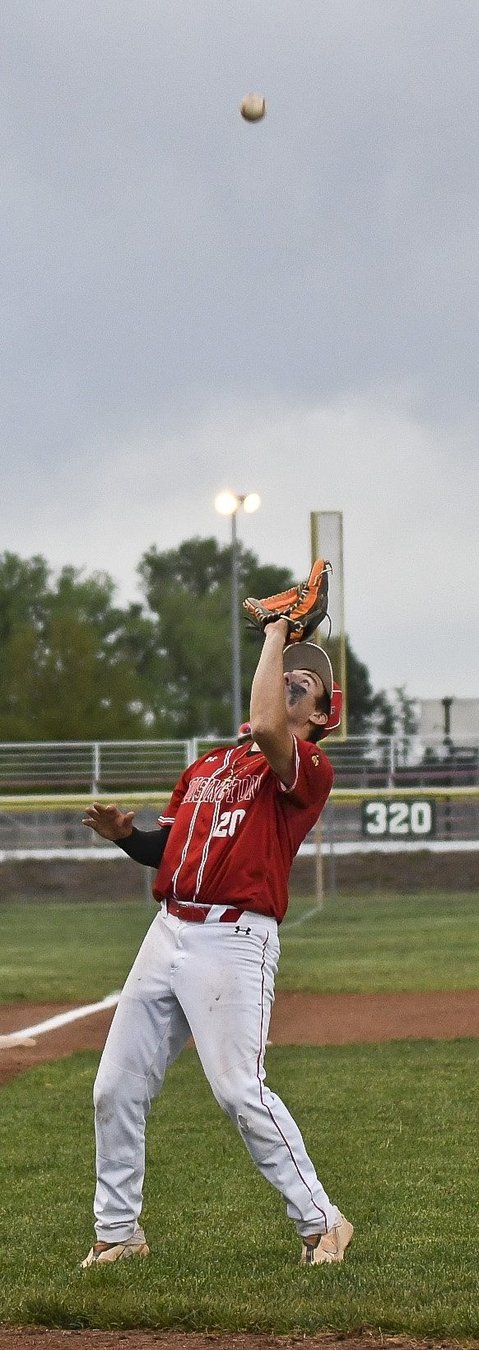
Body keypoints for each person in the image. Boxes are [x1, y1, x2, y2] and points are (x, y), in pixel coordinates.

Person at [80, 619, 353, 1268]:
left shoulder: (305, 764)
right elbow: (165, 851)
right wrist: (126, 836)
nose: (293, 677)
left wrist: (277, 633)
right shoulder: (207, 766)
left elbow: (267, 728)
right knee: (113, 1087)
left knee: (237, 1088)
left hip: (234, 939)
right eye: (287, 671)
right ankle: (118, 1234)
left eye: (306, 681)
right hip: (169, 926)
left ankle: (322, 1222)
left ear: (322, 715)